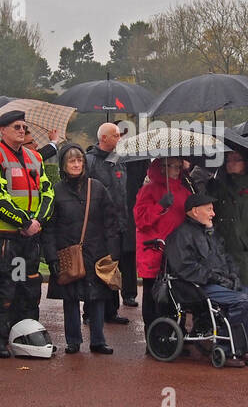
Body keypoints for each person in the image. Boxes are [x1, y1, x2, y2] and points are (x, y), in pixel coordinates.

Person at [164, 192, 248, 365]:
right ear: (195, 211)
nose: (213, 213)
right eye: (209, 209)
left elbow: (227, 258)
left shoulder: (212, 234)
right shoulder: (181, 235)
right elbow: (186, 268)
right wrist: (216, 278)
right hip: (198, 287)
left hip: (220, 284)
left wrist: (233, 276)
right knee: (241, 300)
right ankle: (227, 349)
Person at [0, 108, 54, 358]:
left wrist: (38, 221)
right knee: (4, 290)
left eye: (24, 127)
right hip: (4, 238)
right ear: (2, 130)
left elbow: (48, 192)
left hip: (30, 238)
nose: (22, 131)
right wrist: (24, 223)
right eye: (16, 127)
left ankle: (26, 337)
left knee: (29, 288)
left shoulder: (35, 157)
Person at [43, 142, 122, 354]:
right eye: (71, 160)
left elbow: (111, 222)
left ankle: (98, 340)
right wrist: (51, 258)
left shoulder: (97, 188)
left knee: (96, 298)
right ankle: (73, 340)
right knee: (70, 299)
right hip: (67, 253)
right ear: (63, 164)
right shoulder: (56, 191)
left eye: (79, 160)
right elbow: (49, 228)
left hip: (96, 253)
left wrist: (113, 253)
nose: (76, 164)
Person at [133, 157, 192, 333]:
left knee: (175, 297)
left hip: (176, 252)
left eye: (178, 166)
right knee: (153, 297)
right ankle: (153, 336)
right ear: (161, 168)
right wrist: (160, 206)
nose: (175, 170)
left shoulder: (184, 191)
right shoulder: (147, 191)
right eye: (171, 166)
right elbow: (141, 220)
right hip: (154, 250)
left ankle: (174, 337)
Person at [207, 149, 248, 296]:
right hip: (223, 248)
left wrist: (245, 241)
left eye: (236, 159)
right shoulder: (219, 185)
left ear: (246, 163)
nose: (231, 163)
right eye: (228, 159)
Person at [85, 123, 131, 326]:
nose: (119, 139)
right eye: (115, 135)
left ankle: (112, 311)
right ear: (103, 138)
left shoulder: (119, 161)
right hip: (96, 226)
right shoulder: (90, 161)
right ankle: (89, 312)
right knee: (94, 268)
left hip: (118, 224)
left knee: (114, 267)